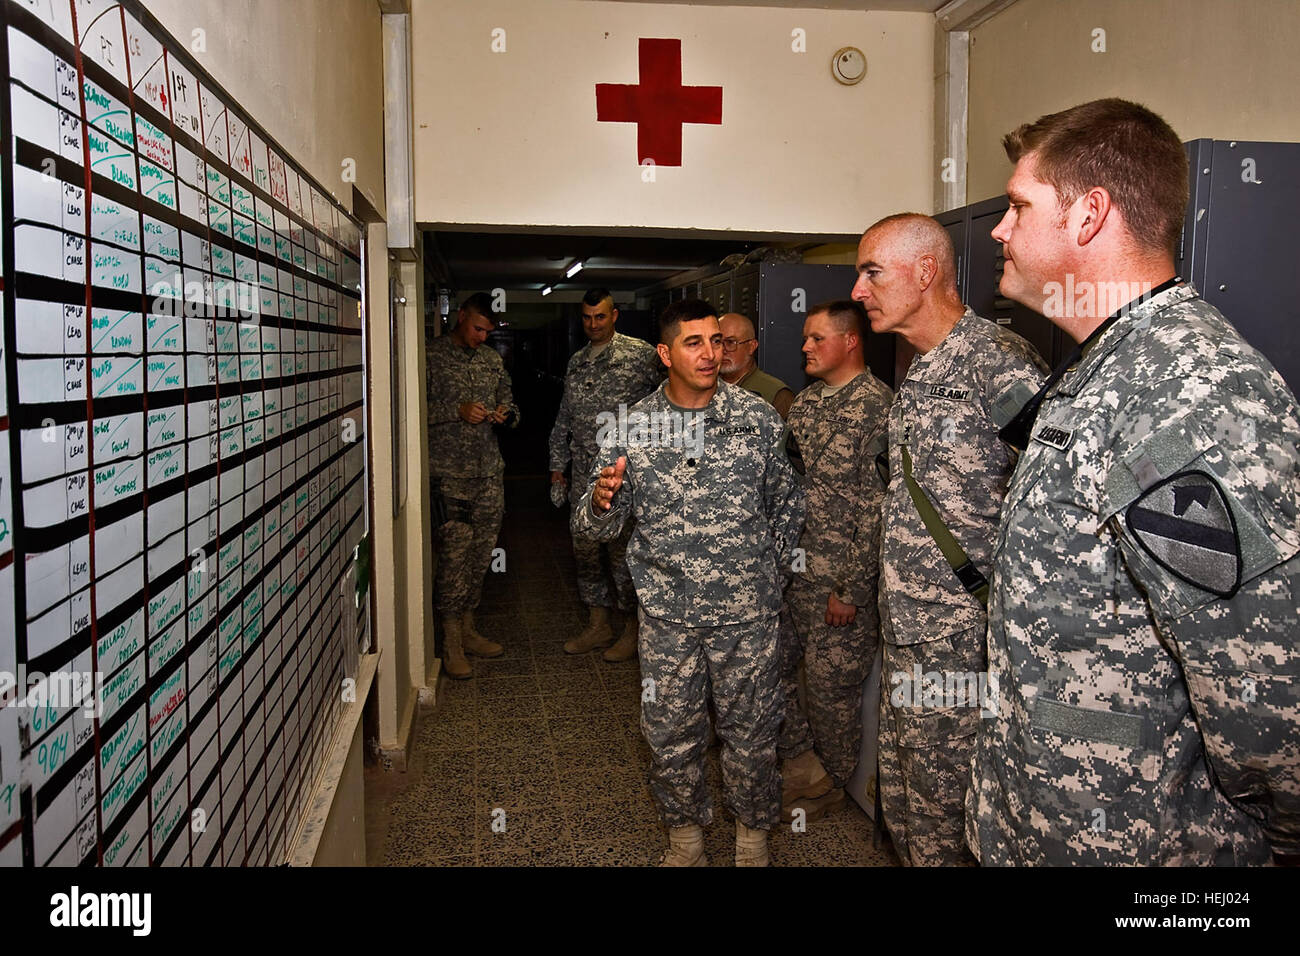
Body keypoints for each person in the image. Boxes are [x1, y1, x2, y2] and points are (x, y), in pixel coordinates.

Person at [967, 98, 1300, 865]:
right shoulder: (1106, 367)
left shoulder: (1189, 394)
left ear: (1089, 215)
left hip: (1141, 845)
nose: (998, 228)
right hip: (1051, 824)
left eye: (1019, 205)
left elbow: (1269, 695)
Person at [573, 299, 806, 867]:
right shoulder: (631, 428)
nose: (711, 353)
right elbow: (590, 525)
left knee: (752, 733)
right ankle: (686, 839)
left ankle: (752, 838)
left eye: (718, 341)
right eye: (695, 342)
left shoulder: (759, 420)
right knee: (671, 736)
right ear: (664, 353)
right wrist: (601, 503)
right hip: (667, 618)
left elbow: (788, 510)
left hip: (748, 617)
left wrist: (765, 584)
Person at [851, 213, 1047, 865]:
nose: (859, 291)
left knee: (950, 813)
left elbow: (1056, 507)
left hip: (963, 642)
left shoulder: (998, 363)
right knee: (905, 800)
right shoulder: (920, 367)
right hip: (909, 632)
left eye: (871, 272)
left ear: (925, 271)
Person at [776, 300, 892, 825]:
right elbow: (789, 485)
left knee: (831, 695)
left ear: (849, 341)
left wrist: (849, 589)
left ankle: (832, 783)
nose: (805, 347)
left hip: (839, 583)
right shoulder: (803, 405)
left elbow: (876, 509)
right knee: (772, 674)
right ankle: (807, 765)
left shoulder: (879, 408)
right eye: (804, 338)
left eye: (816, 338)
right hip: (794, 575)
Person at [548, 289, 663, 662]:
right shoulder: (577, 361)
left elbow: (671, 400)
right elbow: (564, 417)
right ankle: (598, 624)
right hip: (584, 474)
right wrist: (557, 467)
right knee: (585, 552)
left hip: (624, 475)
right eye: (586, 318)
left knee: (623, 555)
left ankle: (631, 630)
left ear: (614, 316)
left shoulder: (641, 355)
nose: (593, 325)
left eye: (600, 317)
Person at [426, 292, 520, 679]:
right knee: (453, 561)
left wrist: (504, 415)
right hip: (450, 477)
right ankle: (450, 642)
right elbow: (406, 409)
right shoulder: (430, 356)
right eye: (477, 328)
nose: (482, 336)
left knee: (482, 556)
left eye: (488, 331)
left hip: (488, 474)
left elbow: (514, 408)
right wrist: (456, 411)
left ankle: (468, 627)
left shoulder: (491, 360)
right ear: (461, 316)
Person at [719, 312, 795, 419]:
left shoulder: (775, 395)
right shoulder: (704, 388)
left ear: (751, 346)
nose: (723, 350)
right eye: (717, 342)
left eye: (731, 342)